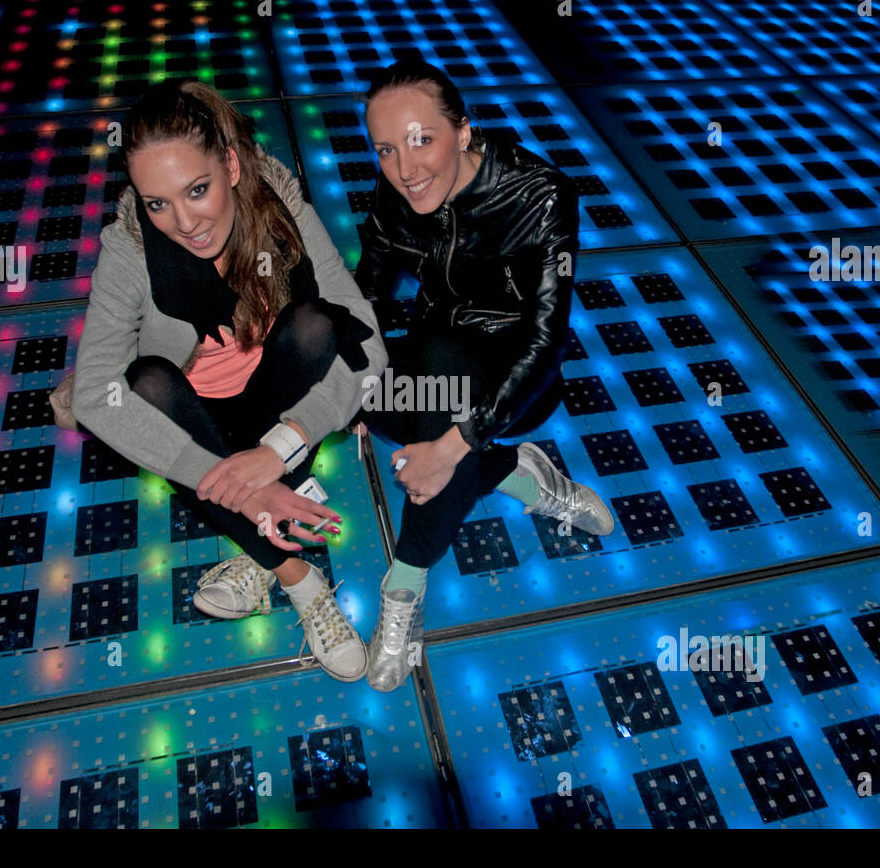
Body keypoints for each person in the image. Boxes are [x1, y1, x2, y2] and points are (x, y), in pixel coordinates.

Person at [70, 79, 388, 682]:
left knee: (321, 326)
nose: (184, 222)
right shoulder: (130, 248)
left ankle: (256, 544)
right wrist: (242, 487)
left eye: (197, 190)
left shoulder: (279, 203)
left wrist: (280, 449)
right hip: (200, 415)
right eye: (157, 202)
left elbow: (368, 344)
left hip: (275, 400)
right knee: (145, 386)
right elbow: (94, 395)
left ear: (233, 166)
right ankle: (298, 579)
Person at [354, 59, 615, 693]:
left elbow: (546, 343)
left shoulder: (542, 195)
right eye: (386, 149)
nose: (405, 168)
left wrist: (451, 447)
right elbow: (369, 290)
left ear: (464, 132)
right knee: (355, 375)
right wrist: (349, 380)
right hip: (433, 369)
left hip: (513, 381)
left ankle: (404, 584)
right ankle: (514, 473)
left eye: (422, 140)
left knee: (444, 385)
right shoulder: (399, 189)